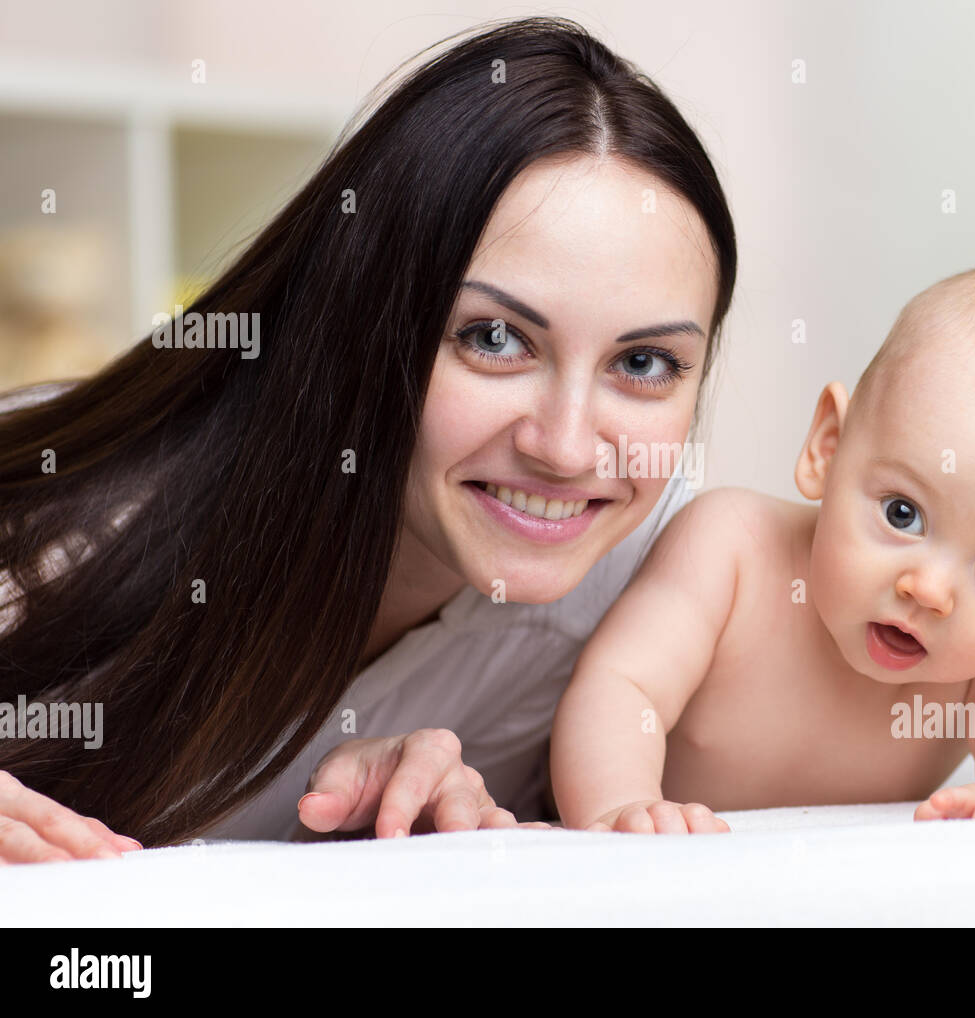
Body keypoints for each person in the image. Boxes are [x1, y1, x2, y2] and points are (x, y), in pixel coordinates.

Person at [0, 16, 737, 862]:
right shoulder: (69, 531)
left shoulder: (639, 582)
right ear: (363, 321)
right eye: (494, 340)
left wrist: (363, 834)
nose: (568, 451)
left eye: (644, 361)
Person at [550, 264, 975, 832]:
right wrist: (621, 805)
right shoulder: (731, 549)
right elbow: (621, 687)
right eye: (903, 513)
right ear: (828, 447)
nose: (929, 590)